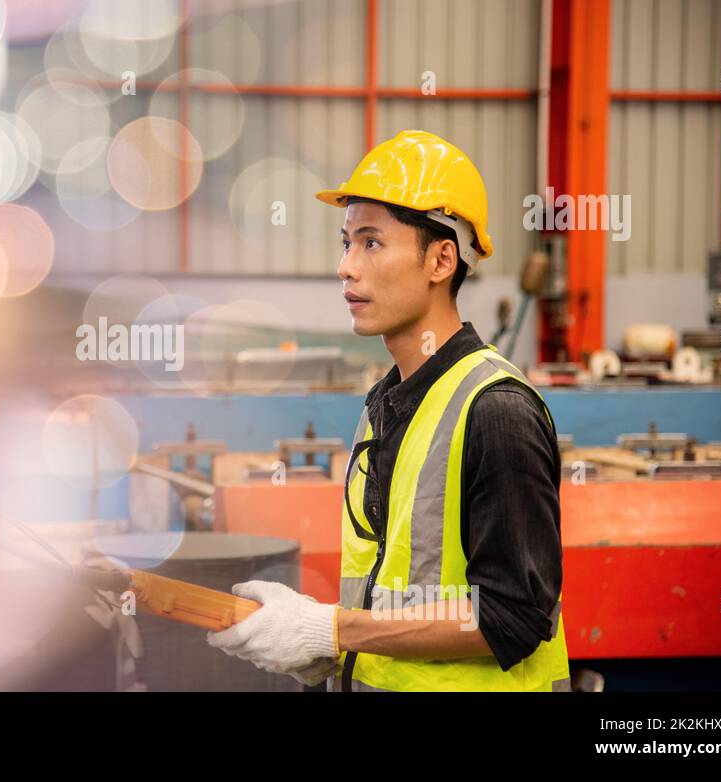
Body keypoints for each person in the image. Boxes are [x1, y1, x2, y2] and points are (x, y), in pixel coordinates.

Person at [207, 130, 571, 691]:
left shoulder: (496, 412)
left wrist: (332, 631)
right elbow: (391, 586)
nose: (346, 267)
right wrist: (328, 649)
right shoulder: (389, 401)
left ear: (441, 259)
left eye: (371, 242)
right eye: (345, 242)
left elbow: (515, 617)